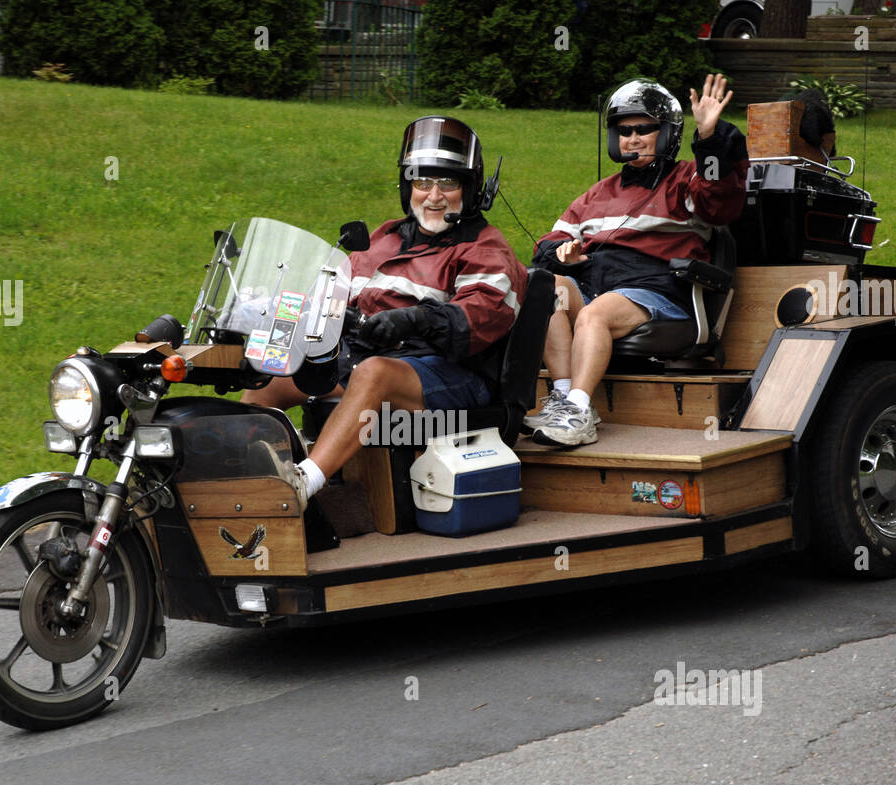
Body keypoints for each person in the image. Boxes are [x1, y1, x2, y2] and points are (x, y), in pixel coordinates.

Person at [242, 115, 528, 507]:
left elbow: (483, 313)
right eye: (422, 182)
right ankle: (243, 477)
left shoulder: (485, 248)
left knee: (373, 374)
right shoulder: (386, 236)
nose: (433, 195)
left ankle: (302, 485)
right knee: (272, 377)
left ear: (471, 189)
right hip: (369, 359)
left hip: (455, 376)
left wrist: (417, 318)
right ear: (406, 186)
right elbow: (335, 292)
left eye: (448, 182)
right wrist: (270, 306)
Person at [524, 73, 748, 446]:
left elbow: (721, 202)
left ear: (667, 133)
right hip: (598, 287)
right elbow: (552, 238)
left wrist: (708, 139)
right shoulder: (597, 193)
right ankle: (566, 400)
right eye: (624, 130)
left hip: (660, 293)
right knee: (547, 287)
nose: (633, 138)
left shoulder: (687, 179)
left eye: (644, 129)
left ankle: (579, 412)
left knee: (597, 312)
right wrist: (565, 250)